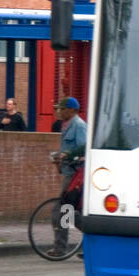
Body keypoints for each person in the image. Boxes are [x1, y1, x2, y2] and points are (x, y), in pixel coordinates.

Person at [50, 97, 87, 256]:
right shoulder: (66, 126)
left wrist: (68, 156)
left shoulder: (79, 126)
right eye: (59, 108)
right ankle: (91, 243)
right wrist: (60, 159)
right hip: (69, 174)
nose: (60, 111)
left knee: (60, 211)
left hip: (76, 176)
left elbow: (84, 149)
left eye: (63, 108)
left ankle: (60, 248)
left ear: (72, 110)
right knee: (71, 212)